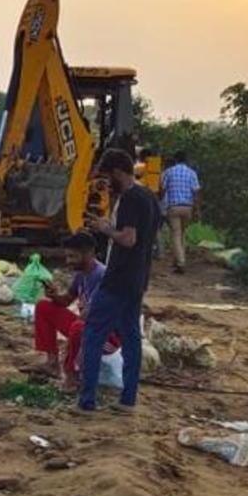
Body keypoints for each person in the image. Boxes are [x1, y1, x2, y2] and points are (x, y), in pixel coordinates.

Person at [78, 148, 163, 412]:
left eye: (107, 177)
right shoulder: (149, 196)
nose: (106, 184)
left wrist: (105, 229)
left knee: (92, 334)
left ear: (117, 172)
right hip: (138, 278)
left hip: (118, 279)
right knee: (131, 338)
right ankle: (128, 400)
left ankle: (87, 402)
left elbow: (128, 238)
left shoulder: (129, 199)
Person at [32, 232, 121, 390]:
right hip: (87, 327)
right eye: (67, 256)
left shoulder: (102, 276)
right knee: (43, 306)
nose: (68, 261)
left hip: (107, 337)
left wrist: (68, 351)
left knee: (78, 327)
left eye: (73, 257)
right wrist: (54, 296)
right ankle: (51, 363)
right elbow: (67, 300)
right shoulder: (81, 274)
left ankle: (71, 375)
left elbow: (89, 315)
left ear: (88, 253)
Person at [159, 151, 202, 274]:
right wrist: (197, 209)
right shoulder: (192, 173)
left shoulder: (168, 172)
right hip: (188, 207)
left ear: (175, 159)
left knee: (176, 234)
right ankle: (177, 260)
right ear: (186, 160)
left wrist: (160, 201)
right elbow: (196, 192)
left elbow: (162, 189)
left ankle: (181, 262)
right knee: (182, 234)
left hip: (173, 207)